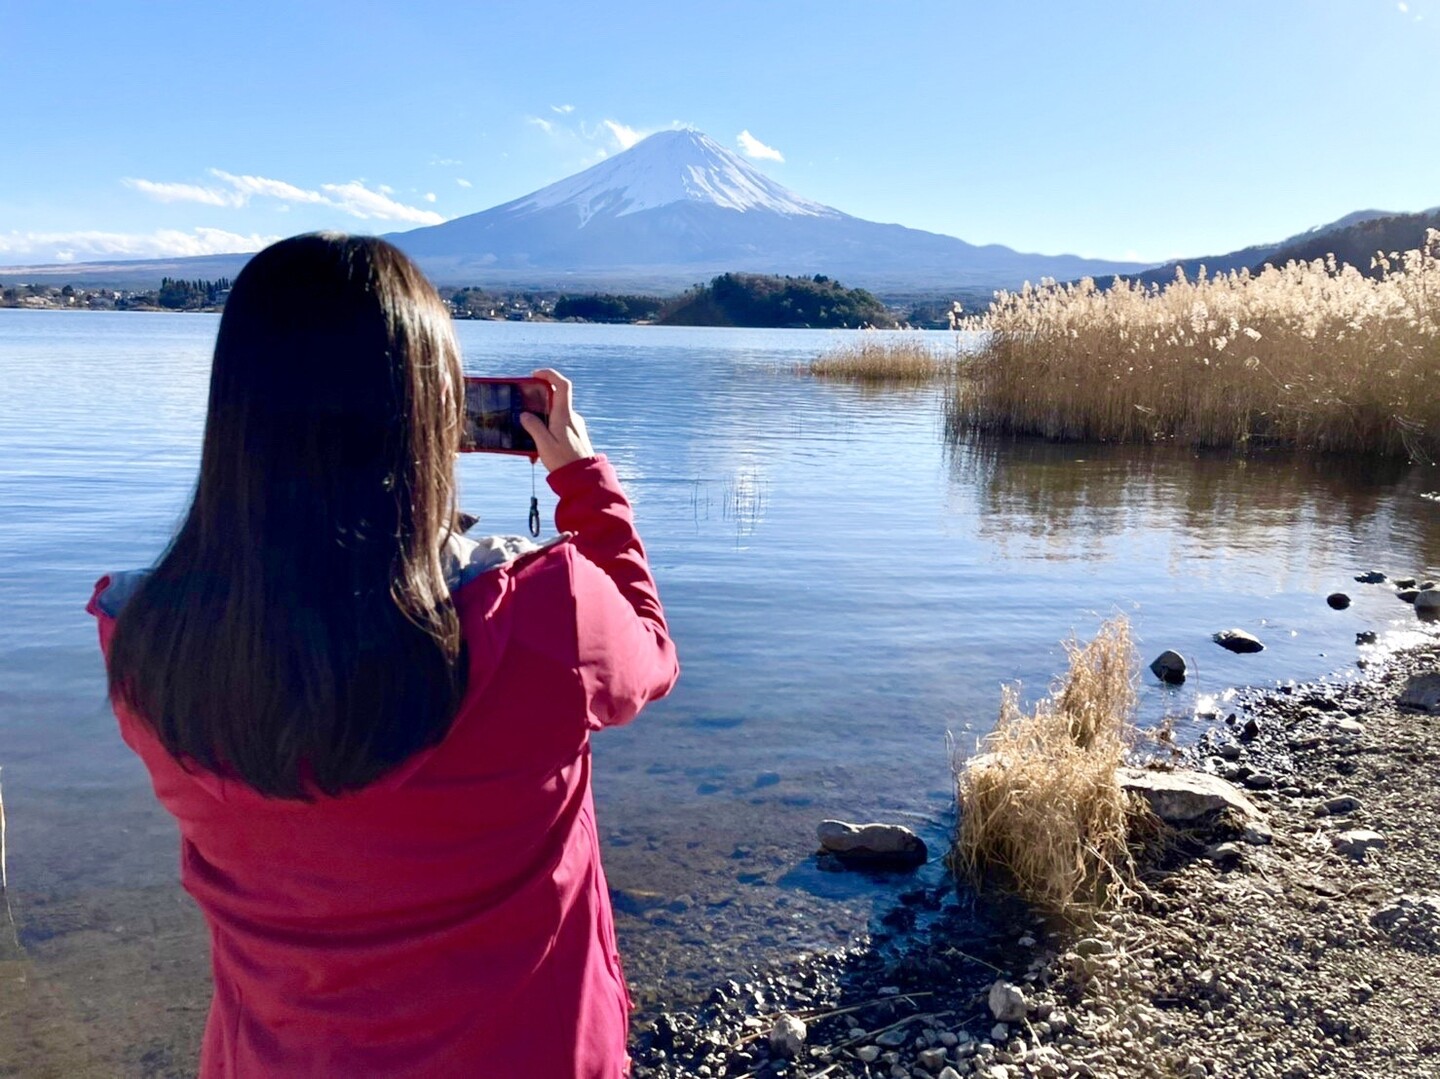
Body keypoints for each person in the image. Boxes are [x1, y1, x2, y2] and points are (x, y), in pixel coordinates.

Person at [85, 233, 679, 1078]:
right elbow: (650, 654)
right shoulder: (543, 605)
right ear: (435, 409)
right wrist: (582, 479)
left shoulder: (145, 646)